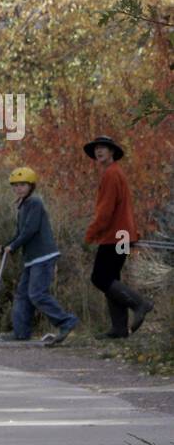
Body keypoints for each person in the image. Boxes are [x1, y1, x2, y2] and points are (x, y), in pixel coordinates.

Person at [0, 167, 78, 345]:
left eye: (22, 185)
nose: (18, 188)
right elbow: (19, 233)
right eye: (15, 186)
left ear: (31, 186)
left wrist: (14, 245)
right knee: (23, 295)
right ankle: (21, 332)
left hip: (43, 256)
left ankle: (66, 322)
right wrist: (5, 248)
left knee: (37, 294)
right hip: (32, 260)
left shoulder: (35, 203)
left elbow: (30, 230)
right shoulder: (22, 206)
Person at [83, 135, 154, 338]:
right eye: (96, 148)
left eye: (103, 147)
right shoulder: (116, 173)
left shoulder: (111, 175)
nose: (99, 151)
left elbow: (105, 212)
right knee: (111, 278)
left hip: (116, 235)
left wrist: (89, 235)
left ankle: (140, 303)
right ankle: (119, 328)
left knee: (100, 277)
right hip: (123, 234)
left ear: (112, 151)